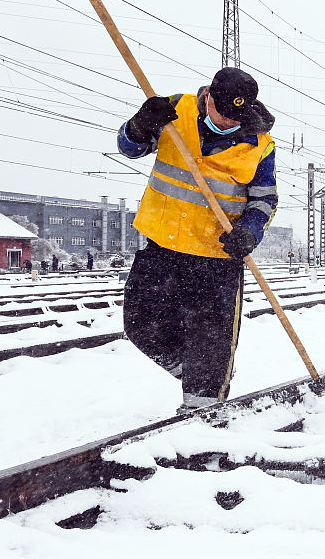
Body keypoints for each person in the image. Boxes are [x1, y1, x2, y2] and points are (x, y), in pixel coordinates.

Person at [117, 67, 278, 413]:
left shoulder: (260, 146)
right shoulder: (175, 110)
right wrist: (141, 124)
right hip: (162, 245)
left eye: (238, 116)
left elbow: (265, 199)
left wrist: (249, 231)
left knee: (211, 343)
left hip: (217, 257)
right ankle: (196, 373)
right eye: (224, 114)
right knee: (141, 325)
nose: (230, 122)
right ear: (208, 98)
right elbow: (128, 147)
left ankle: (203, 417)